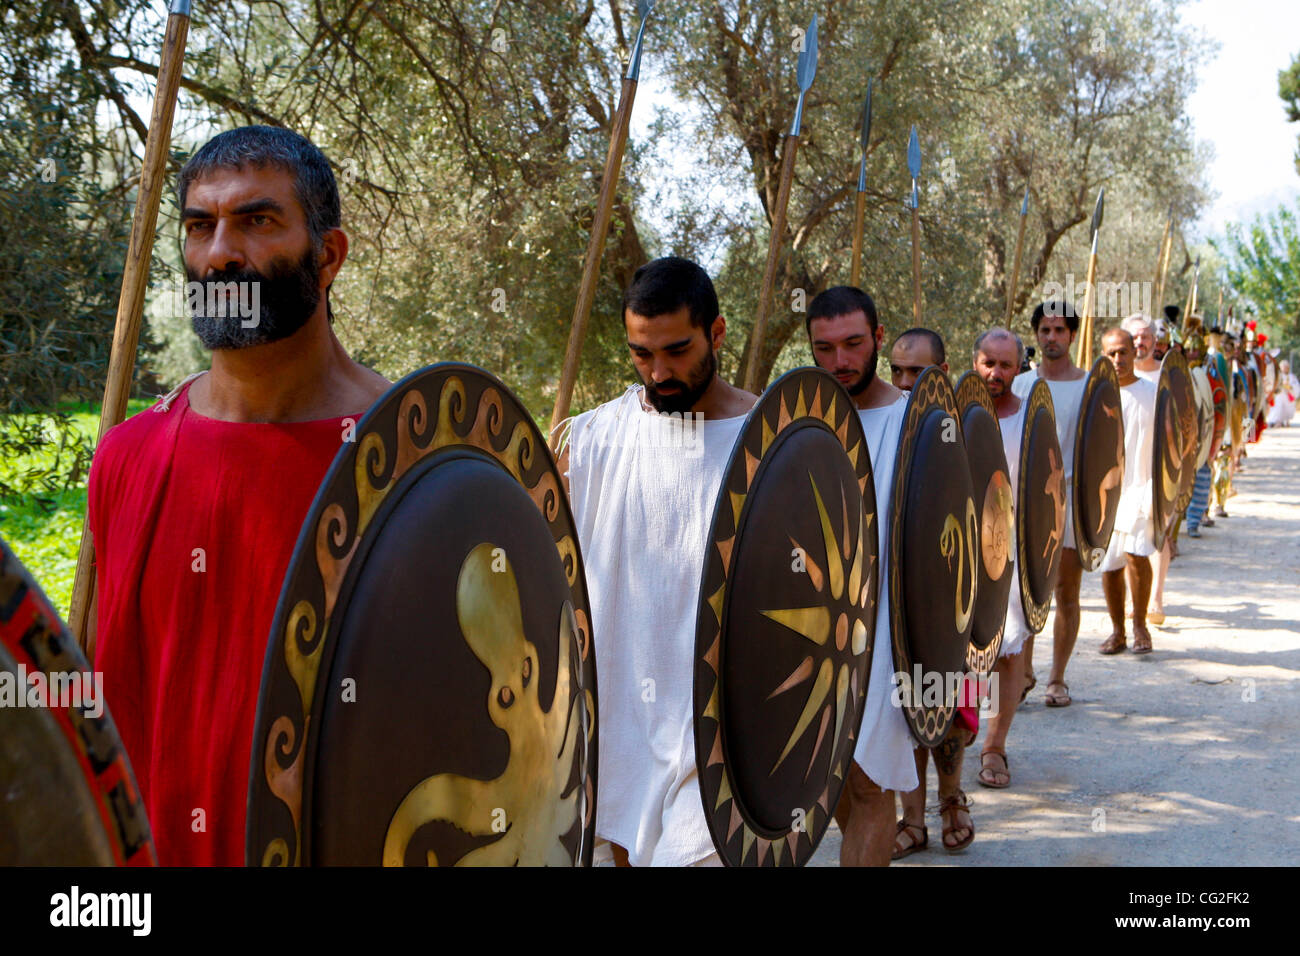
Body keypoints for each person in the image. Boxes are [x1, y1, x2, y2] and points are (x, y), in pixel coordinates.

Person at [89, 126, 391, 865]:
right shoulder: (127, 460)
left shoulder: (411, 463)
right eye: (200, 226)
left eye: (256, 222)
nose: (221, 252)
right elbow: (107, 712)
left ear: (328, 256)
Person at [560, 257, 756, 867]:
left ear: (717, 334)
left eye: (677, 350)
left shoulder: (770, 441)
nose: (659, 372)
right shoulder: (594, 439)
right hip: (624, 718)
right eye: (642, 355)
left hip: (722, 719)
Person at [805, 286, 924, 866]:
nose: (840, 362)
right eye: (824, 349)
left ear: (879, 339)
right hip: (817, 629)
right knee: (833, 783)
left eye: (853, 344)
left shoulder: (917, 425)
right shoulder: (800, 424)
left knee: (869, 783)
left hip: (891, 635)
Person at [882, 326, 975, 856]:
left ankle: (953, 800)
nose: (903, 381)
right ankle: (912, 819)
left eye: (916, 372)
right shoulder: (882, 424)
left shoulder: (956, 428)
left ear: (940, 372)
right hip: (900, 594)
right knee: (905, 709)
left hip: (951, 592)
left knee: (949, 705)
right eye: (895, 370)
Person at [1011, 301, 1088, 708]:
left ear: (1072, 335)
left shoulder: (1090, 385)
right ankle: (1023, 671)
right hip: (1027, 501)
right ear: (1037, 335)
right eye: (1045, 330)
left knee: (1065, 590)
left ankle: (1057, 678)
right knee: (1027, 591)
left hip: (1074, 498)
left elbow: (1105, 449)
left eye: (1059, 330)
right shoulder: (1021, 385)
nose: (1052, 338)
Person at [970, 329, 1034, 791]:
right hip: (959, 547)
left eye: (1005, 365)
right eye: (988, 362)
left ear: (1018, 368)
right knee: (969, 652)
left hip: (1013, 546)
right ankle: (965, 732)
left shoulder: (1033, 420)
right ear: (975, 361)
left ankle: (995, 744)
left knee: (1009, 650)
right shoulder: (951, 412)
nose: (996, 373)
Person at [1096, 329, 1158, 655]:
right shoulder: (1096, 397)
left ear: (1133, 352)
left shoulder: (1153, 393)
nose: (1118, 359)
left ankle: (1140, 626)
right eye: (1111, 354)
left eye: (1122, 352)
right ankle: (1118, 631)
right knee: (1110, 565)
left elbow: (1173, 441)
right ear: (1103, 355)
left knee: (1137, 554)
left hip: (1143, 487)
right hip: (1109, 491)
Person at [1124, 313, 1160, 383]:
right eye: (1134, 337)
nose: (1139, 342)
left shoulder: (1169, 373)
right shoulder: (1117, 375)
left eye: (1144, 337)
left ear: (1154, 340)